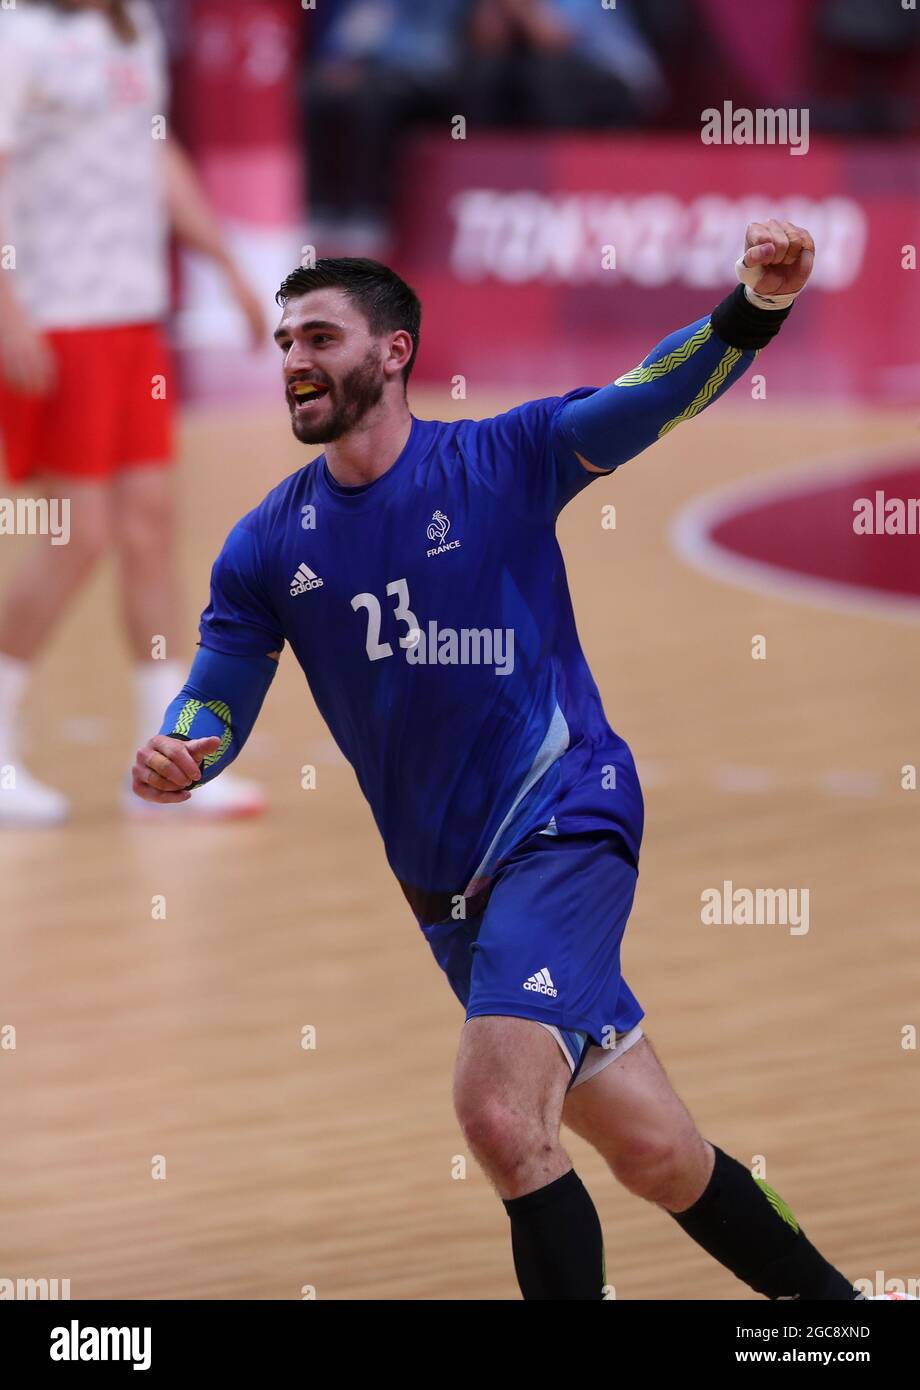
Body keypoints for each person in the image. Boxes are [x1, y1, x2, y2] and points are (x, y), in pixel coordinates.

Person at [131, 228, 909, 1300]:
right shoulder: (267, 546)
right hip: (448, 894)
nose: (294, 360)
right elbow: (218, 694)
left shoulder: (503, 460)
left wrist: (753, 309)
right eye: (284, 342)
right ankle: (840, 1319)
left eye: (320, 337)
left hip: (564, 818)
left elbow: (650, 394)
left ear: (395, 350)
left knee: (498, 1115)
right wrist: (186, 750)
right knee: (657, 1153)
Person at [0, 0, 267, 826]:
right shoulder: (21, 37)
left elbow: (156, 152)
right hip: (58, 314)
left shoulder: (134, 29)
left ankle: (166, 767)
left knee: (150, 528)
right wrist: (7, 308)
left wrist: (226, 262)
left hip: (133, 315)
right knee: (76, 534)